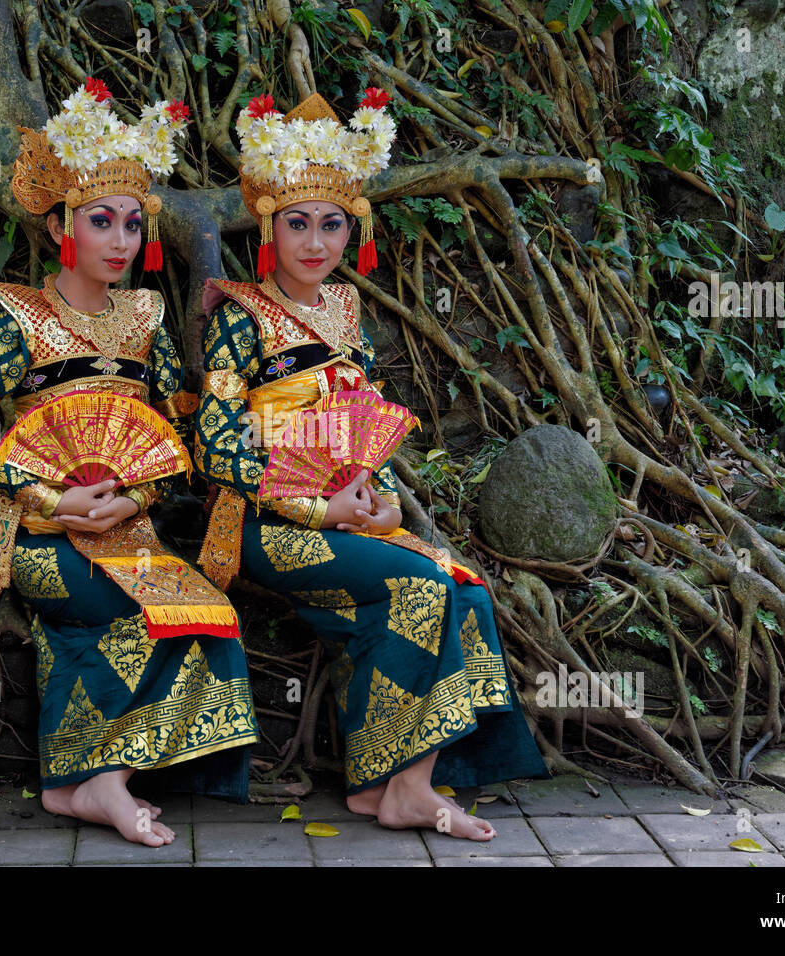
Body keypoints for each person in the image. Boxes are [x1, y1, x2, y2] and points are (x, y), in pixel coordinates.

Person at [193, 89, 549, 842]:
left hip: (351, 517)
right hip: (265, 524)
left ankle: (390, 782)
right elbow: (215, 446)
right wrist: (319, 509)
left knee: (466, 589)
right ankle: (407, 790)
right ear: (269, 226)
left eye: (331, 224)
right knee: (420, 587)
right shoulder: (237, 318)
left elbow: (363, 431)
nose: (316, 241)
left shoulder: (346, 312)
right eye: (298, 223)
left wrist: (381, 503)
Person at [0, 78, 257, 848]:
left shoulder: (144, 318)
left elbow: (176, 439)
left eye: (129, 223)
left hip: (128, 529)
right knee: (127, 613)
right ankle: (104, 784)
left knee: (210, 616)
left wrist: (132, 495)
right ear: (59, 229)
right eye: (98, 221)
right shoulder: (17, 318)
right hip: (37, 533)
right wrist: (52, 493)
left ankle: (73, 785)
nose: (118, 239)